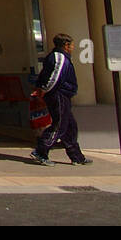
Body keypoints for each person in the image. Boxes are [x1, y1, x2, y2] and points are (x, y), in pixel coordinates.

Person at [31, 33, 92, 166]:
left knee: (70, 126)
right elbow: (54, 77)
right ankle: (41, 151)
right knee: (59, 125)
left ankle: (76, 156)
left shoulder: (61, 57)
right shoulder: (59, 57)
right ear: (66, 45)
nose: (73, 48)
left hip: (62, 95)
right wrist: (44, 90)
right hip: (58, 95)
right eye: (72, 45)